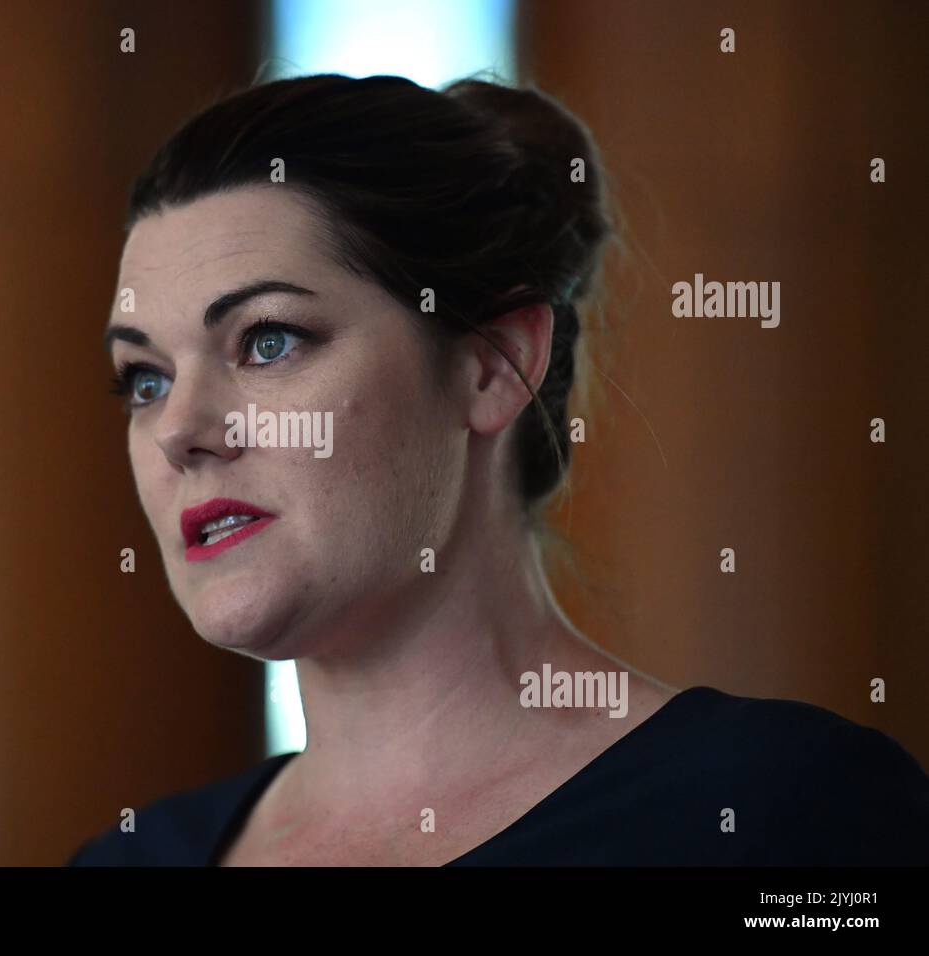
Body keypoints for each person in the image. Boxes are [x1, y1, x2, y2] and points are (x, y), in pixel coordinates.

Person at [72, 73, 929, 866]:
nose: (179, 429)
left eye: (267, 340)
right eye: (145, 380)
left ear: (494, 366)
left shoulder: (791, 816)